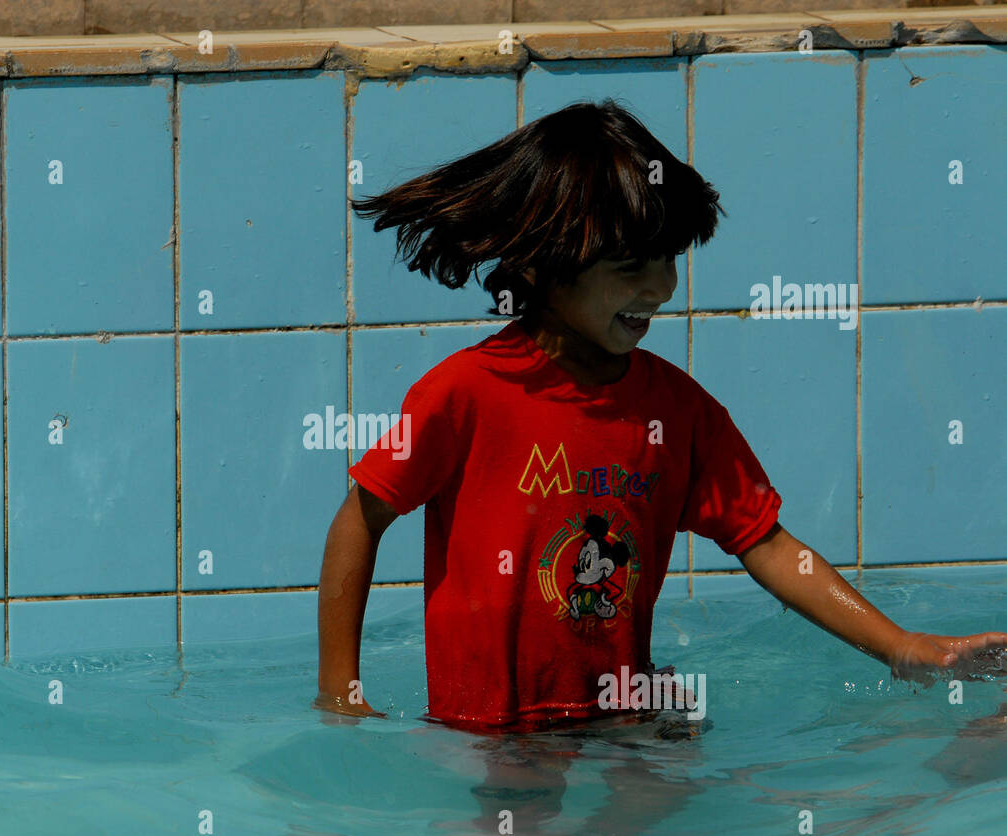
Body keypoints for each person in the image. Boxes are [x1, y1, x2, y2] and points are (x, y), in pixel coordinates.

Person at [316, 99, 1006, 733]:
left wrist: (901, 646)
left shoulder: (676, 411)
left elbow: (766, 543)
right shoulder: (465, 393)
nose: (659, 287)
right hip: (495, 728)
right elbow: (360, 518)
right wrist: (339, 690)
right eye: (629, 266)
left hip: (622, 714)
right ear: (538, 265)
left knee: (666, 768)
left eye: (668, 259)